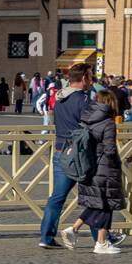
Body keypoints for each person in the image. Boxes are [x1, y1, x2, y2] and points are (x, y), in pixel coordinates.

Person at [57, 89, 126, 254]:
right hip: (105, 168)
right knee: (106, 205)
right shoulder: (108, 122)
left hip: (89, 166)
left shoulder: (87, 119)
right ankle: (101, 243)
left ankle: (74, 229)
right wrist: (118, 162)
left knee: (97, 203)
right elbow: (109, 149)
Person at [39, 63, 93, 249]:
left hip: (60, 150)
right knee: (93, 195)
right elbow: (89, 126)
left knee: (57, 197)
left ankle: (46, 237)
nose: (91, 80)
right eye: (90, 76)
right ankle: (101, 238)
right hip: (79, 153)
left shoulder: (59, 97)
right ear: (84, 78)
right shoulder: (83, 100)